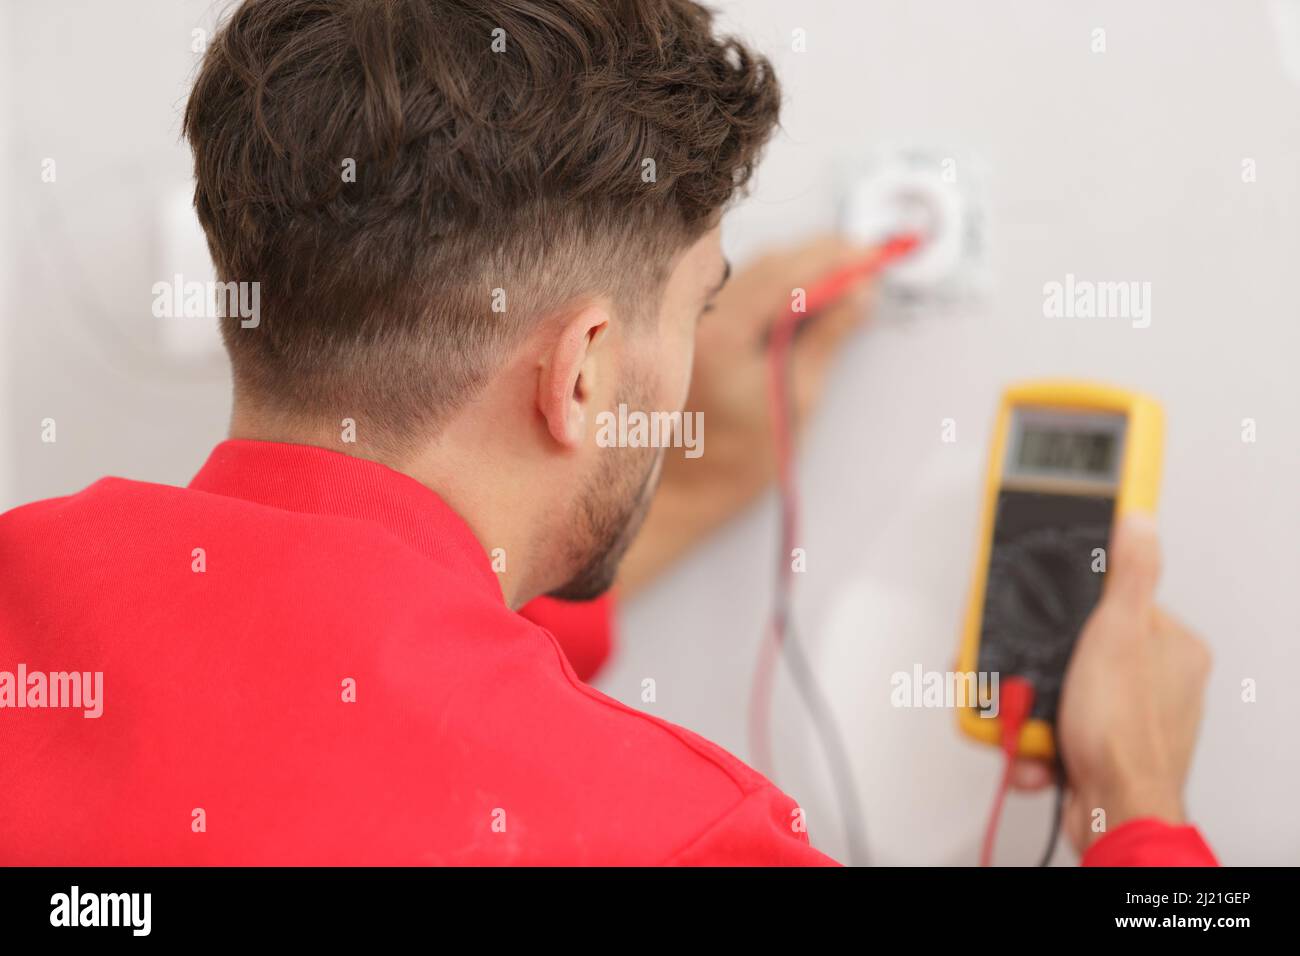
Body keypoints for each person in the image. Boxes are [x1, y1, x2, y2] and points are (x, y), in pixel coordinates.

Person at [0, 0, 1214, 866]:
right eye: (698, 305)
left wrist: (692, 486)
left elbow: (334, 700)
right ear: (581, 373)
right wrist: (1138, 810)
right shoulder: (679, 840)